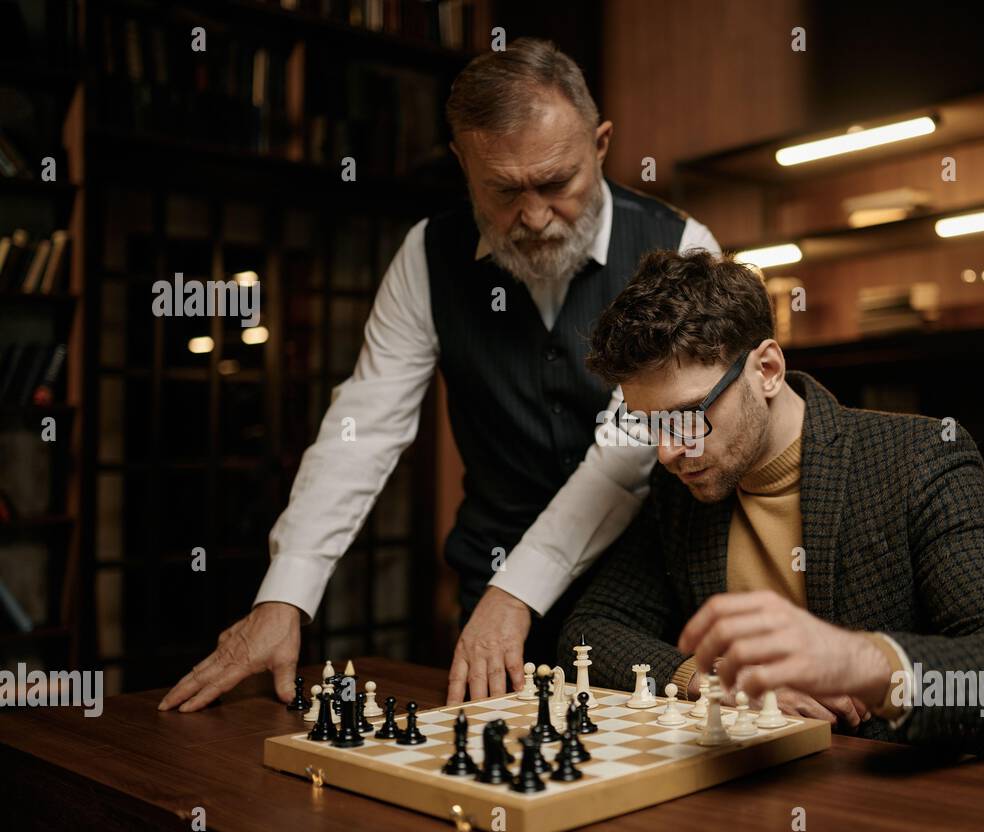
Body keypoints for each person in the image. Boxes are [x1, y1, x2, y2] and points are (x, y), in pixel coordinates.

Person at [159, 39, 717, 713]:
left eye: (555, 184)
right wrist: (287, 592)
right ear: (462, 163)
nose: (534, 218)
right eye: (504, 191)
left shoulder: (683, 250)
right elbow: (363, 430)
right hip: (491, 586)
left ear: (600, 145)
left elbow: (630, 449)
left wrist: (516, 589)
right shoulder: (426, 256)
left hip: (649, 594)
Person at [557, 250, 984, 757]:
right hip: (763, 798)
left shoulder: (918, 458)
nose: (668, 450)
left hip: (921, 806)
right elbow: (591, 630)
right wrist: (710, 680)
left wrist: (860, 663)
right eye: (650, 423)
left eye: (690, 414)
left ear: (766, 369)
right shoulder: (682, 487)